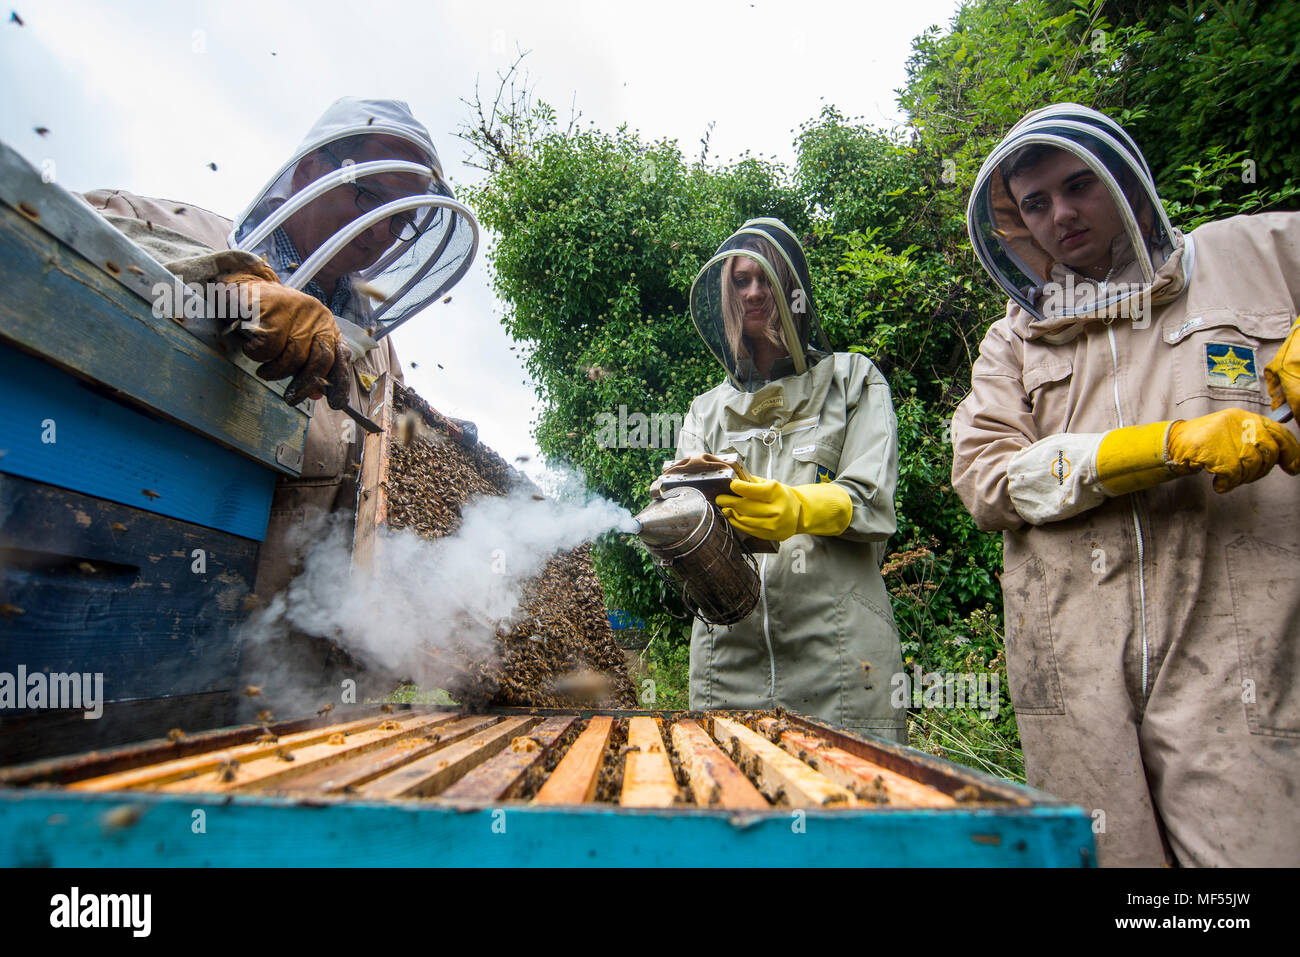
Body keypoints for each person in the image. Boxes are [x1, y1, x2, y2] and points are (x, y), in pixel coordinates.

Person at [952, 102, 1300, 866]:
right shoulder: (1011, 341)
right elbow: (985, 477)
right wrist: (1160, 447)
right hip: (1076, 676)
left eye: (1080, 186)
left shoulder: (1256, 253)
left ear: (1130, 183)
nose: (1060, 216)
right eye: (1035, 203)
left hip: (1239, 663)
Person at [81, 97, 478, 693]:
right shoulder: (173, 226)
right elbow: (53, 225)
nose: (385, 232)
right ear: (309, 172)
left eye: (403, 220)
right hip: (137, 651)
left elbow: (383, 448)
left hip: (299, 687)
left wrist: (435, 438)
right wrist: (225, 281)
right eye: (372, 197)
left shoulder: (375, 349)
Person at [670, 218, 907, 743]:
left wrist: (799, 508)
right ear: (727, 296)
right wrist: (674, 530)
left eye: (768, 278)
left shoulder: (853, 379)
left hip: (843, 658)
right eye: (740, 281)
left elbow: (871, 499)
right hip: (727, 661)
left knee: (851, 812)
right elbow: (688, 516)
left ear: (794, 288)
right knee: (731, 808)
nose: (754, 292)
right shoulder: (705, 412)